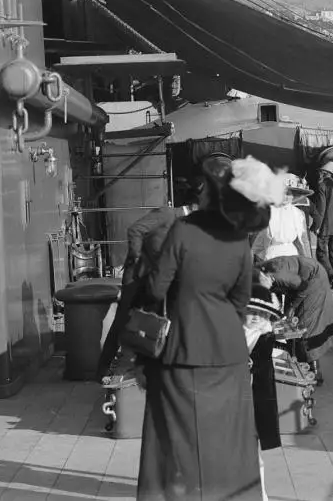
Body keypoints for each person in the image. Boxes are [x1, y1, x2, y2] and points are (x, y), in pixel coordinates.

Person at [137, 153, 278, 501]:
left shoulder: (183, 230)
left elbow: (156, 289)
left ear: (209, 194)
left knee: (175, 440)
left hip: (181, 352)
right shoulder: (239, 239)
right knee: (227, 442)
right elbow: (241, 300)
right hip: (228, 352)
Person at [98, 179, 202, 377]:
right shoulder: (166, 214)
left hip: (157, 281)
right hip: (137, 277)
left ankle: (143, 369)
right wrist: (135, 256)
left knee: (153, 323)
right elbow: (135, 229)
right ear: (195, 206)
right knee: (123, 321)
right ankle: (103, 369)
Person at [309, 159, 333, 288]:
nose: (319, 174)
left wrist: (316, 226)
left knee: (321, 253)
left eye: (320, 172)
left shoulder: (322, 186)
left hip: (325, 226)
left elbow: (321, 208)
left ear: (324, 173)